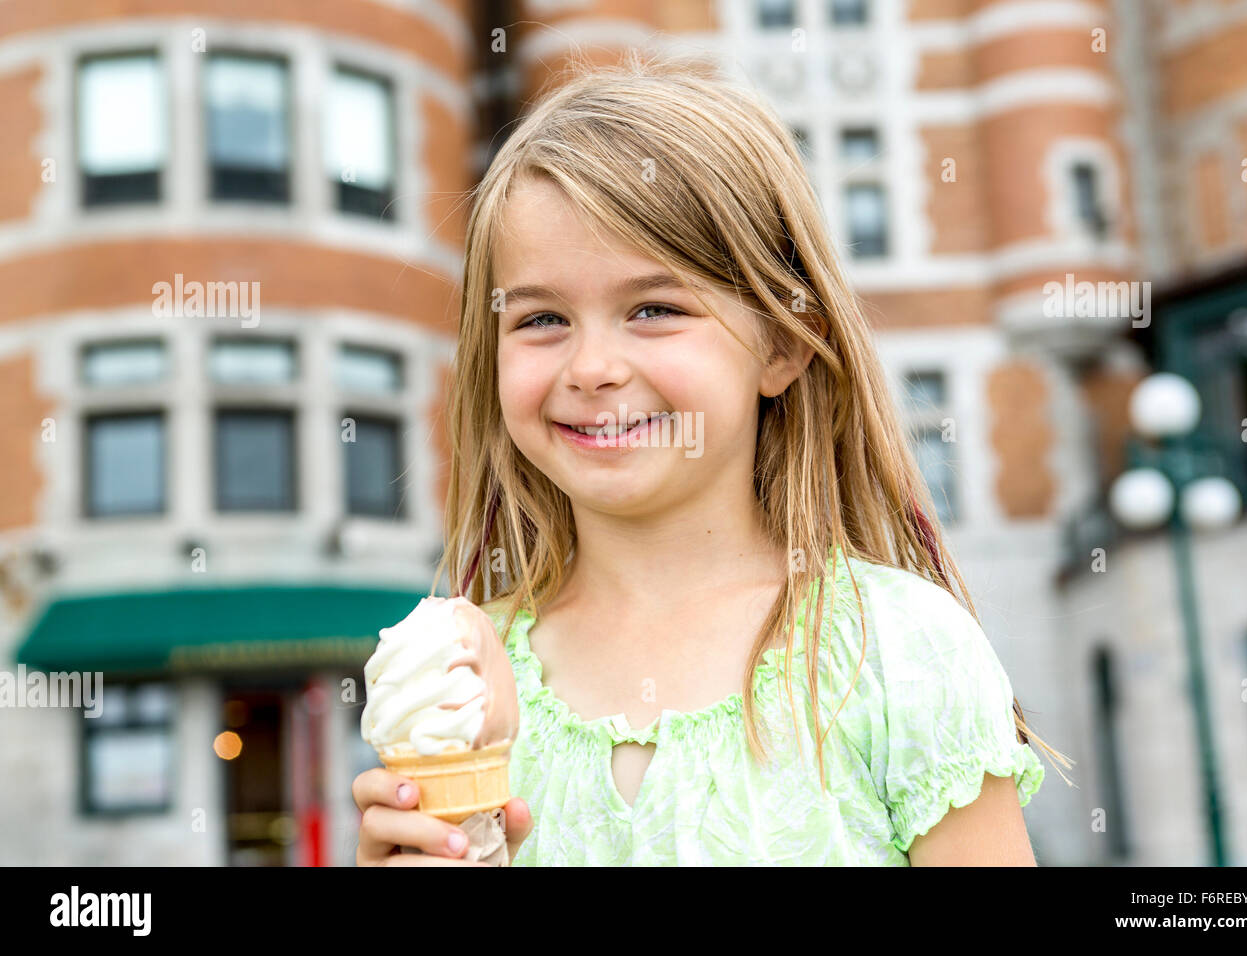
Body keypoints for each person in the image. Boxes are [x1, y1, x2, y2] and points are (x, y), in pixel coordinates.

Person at [354, 49, 1073, 866]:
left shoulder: (900, 651)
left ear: (783, 344)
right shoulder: (463, 683)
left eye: (655, 308)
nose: (591, 368)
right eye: (541, 319)